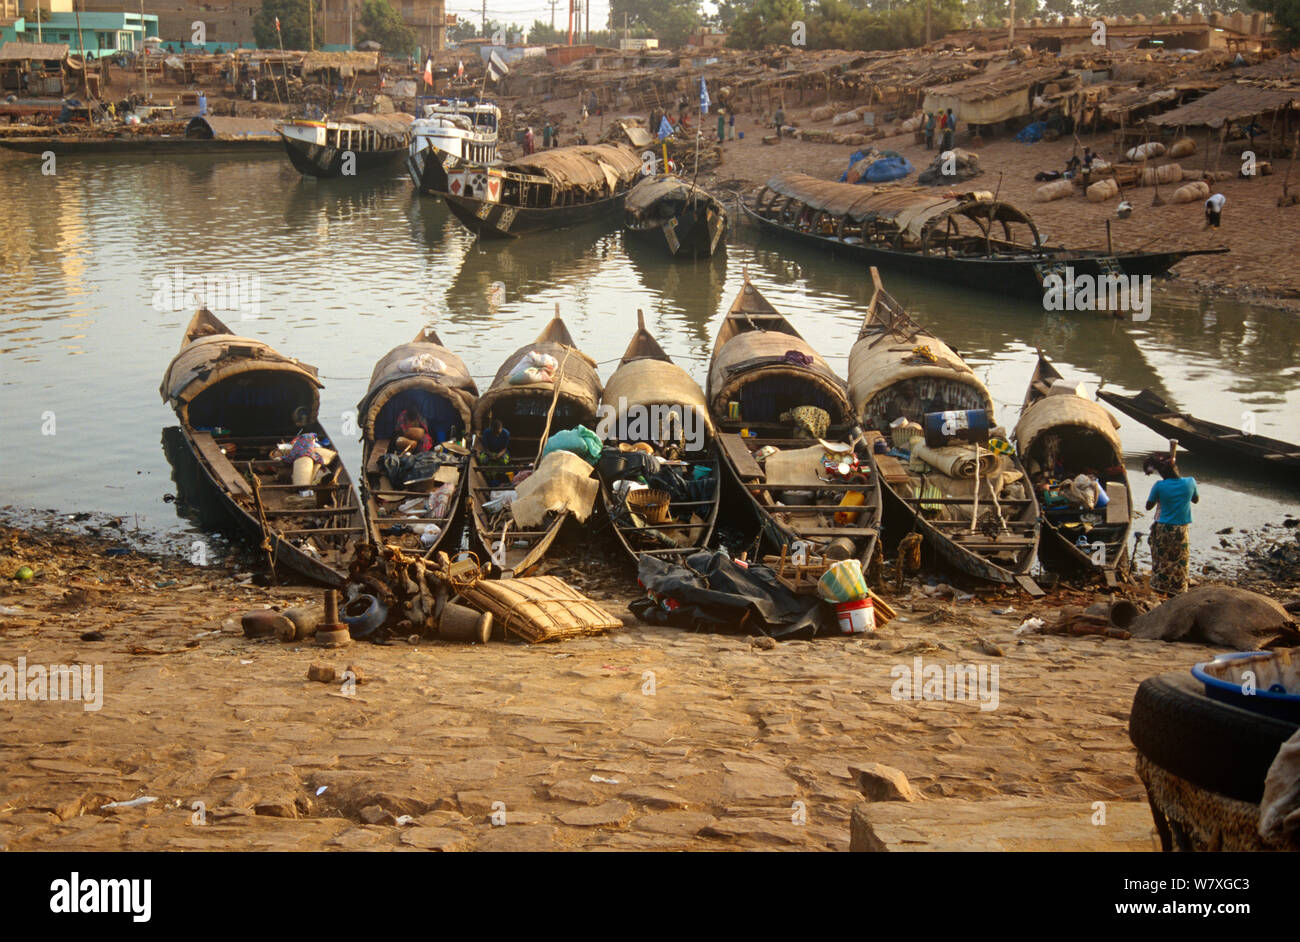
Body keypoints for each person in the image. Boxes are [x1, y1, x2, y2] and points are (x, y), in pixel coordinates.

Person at [1143, 453, 1199, 594]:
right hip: (1181, 528)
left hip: (1163, 528)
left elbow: (1148, 506)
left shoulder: (1160, 485)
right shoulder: (1190, 482)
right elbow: (1195, 500)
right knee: (1180, 559)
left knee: (1161, 559)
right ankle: (1178, 588)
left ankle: (1160, 587)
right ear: (1177, 469)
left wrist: (1161, 498)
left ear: (1162, 474)